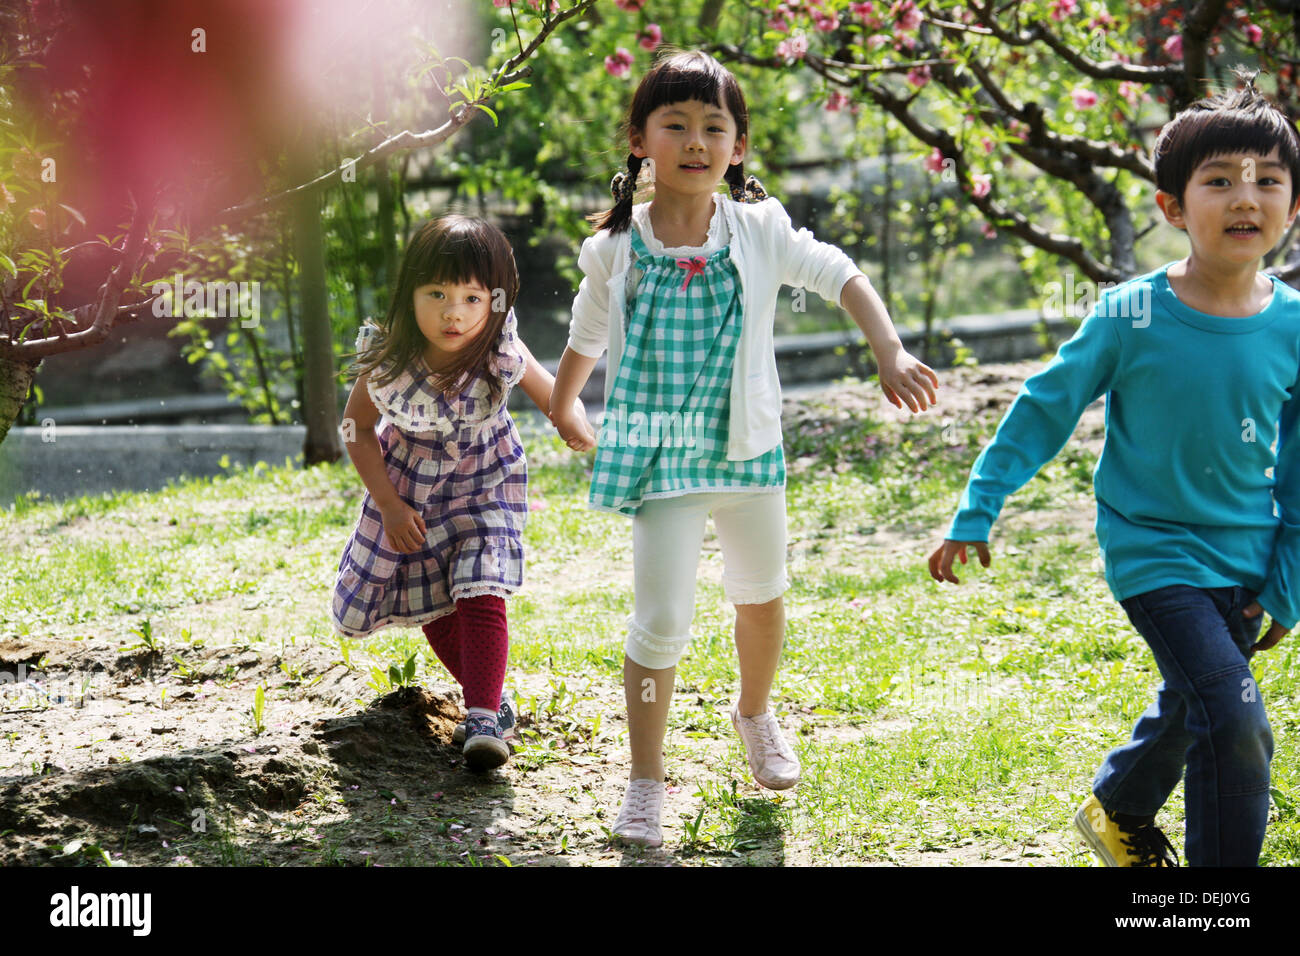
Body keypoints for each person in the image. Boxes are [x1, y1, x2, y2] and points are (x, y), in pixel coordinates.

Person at [549, 49, 938, 847]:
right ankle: (645, 781)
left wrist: (888, 349)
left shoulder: (759, 230)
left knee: (760, 597)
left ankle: (755, 713)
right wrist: (563, 404)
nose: (696, 141)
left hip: (749, 455)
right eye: (676, 125)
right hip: (663, 465)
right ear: (639, 140)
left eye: (713, 128)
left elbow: (841, 275)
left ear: (738, 147)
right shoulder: (615, 250)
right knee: (660, 623)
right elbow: (587, 332)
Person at [929, 75, 1300, 867]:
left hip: (1250, 556)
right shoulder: (1129, 313)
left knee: (1198, 695)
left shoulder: (1296, 325)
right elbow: (1044, 408)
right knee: (1235, 717)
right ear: (1172, 208)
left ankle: (1120, 809)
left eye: (1269, 181)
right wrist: (978, 506)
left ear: (1294, 208)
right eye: (1221, 181)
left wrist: (1288, 578)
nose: (1247, 197)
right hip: (1155, 553)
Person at [331, 215, 588, 771]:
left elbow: (551, 393)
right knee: (429, 599)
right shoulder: (390, 358)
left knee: (482, 583)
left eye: (473, 297)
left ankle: (479, 721)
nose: (455, 313)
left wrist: (573, 425)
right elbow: (354, 429)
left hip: (485, 482)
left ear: (494, 302)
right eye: (437, 294)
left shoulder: (496, 346)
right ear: (409, 295)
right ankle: (490, 699)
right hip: (411, 493)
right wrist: (390, 506)